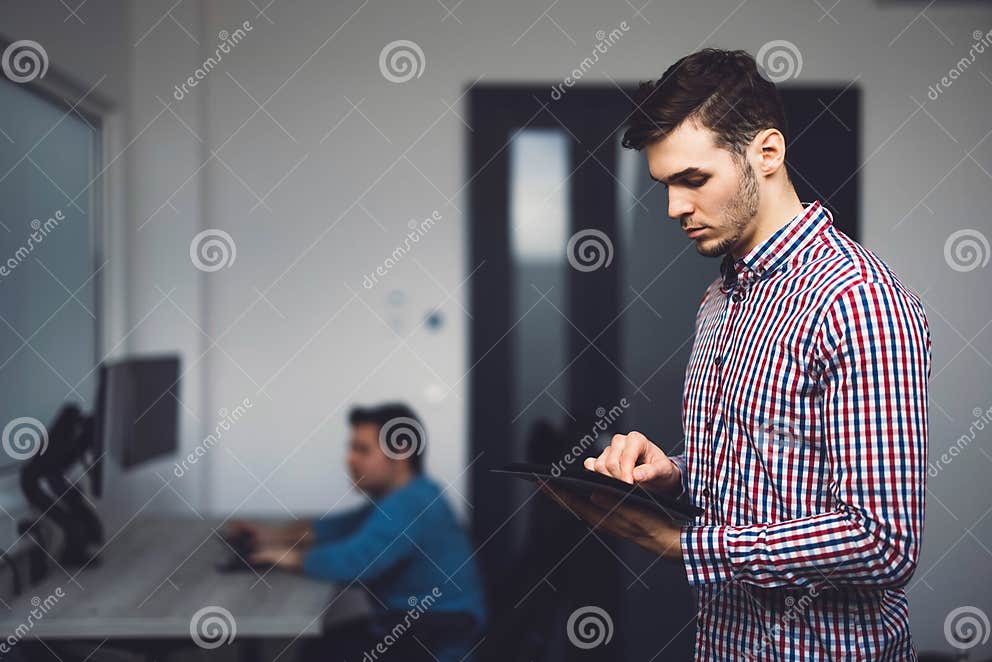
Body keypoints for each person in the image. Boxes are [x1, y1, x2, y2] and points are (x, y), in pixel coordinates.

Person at [541, 48, 931, 661]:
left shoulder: (858, 302)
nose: (674, 208)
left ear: (766, 154)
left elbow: (882, 542)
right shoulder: (721, 299)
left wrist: (685, 545)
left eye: (693, 180)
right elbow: (769, 476)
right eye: (666, 185)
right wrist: (671, 472)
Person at [230, 402, 486, 661]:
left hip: (435, 640)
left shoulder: (411, 503)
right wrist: (269, 536)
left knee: (319, 652)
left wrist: (284, 556)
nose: (350, 459)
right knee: (320, 648)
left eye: (362, 450)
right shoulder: (409, 494)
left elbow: (356, 563)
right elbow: (340, 527)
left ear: (400, 451)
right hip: (417, 625)